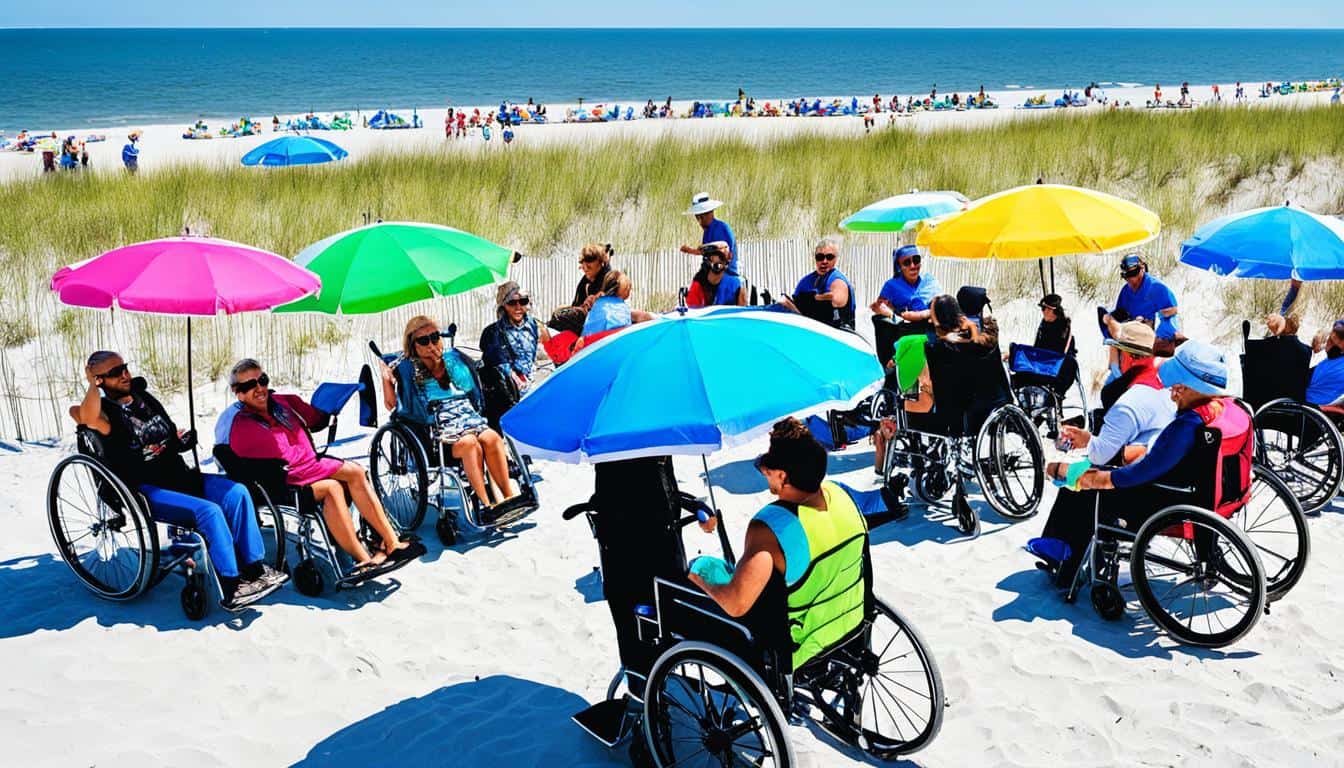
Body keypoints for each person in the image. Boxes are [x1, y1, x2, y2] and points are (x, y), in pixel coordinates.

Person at [73, 351, 285, 610]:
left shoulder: (144, 398)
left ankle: (254, 568)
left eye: (125, 368)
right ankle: (231, 582)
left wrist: (178, 438)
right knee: (209, 511)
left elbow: (166, 432)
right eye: (116, 373)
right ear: (100, 380)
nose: (125, 375)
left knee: (237, 493)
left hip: (180, 476)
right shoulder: (106, 414)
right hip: (148, 489)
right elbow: (86, 415)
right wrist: (90, 382)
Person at [1037, 341, 1240, 584]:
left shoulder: (1186, 426)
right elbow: (1160, 455)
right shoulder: (1223, 409)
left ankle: (1063, 566)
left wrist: (1101, 478)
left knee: (1079, 490)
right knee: (1092, 474)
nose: (1173, 394)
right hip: (1207, 491)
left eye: (1179, 388)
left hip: (1162, 500)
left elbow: (1145, 471)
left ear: (1196, 389)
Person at [687, 418, 869, 674]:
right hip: (847, 621)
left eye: (767, 469)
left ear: (783, 476)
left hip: (799, 646)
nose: (763, 473)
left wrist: (699, 578)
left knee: (701, 575)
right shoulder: (841, 496)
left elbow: (736, 604)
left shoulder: (771, 529)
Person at [222, 359, 424, 580]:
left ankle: (391, 542)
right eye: (250, 385)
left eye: (262, 380)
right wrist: (330, 467)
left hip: (308, 467)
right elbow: (283, 463)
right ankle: (363, 559)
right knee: (333, 486)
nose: (259, 388)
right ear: (238, 393)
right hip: (282, 482)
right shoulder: (242, 427)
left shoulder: (283, 402)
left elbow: (316, 419)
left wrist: (332, 401)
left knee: (356, 473)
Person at [382, 317, 527, 522]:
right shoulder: (407, 368)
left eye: (435, 337)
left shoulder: (452, 358)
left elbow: (467, 386)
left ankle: (509, 498)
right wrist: (386, 378)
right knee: (470, 445)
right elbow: (392, 405)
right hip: (439, 424)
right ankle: (487, 504)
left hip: (466, 413)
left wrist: (443, 364)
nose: (431, 344)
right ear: (413, 346)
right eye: (424, 341)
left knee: (493, 438)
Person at [1050, 322, 1174, 474]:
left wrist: (1085, 441)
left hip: (1139, 466)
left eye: (1116, 350)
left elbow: (1100, 455)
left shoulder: (1129, 400)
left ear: (1127, 355)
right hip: (1159, 453)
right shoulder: (1166, 376)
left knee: (1063, 474)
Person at [479, 281, 550, 421]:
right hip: (507, 394)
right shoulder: (492, 332)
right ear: (503, 305)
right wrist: (521, 387)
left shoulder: (534, 326)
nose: (518, 307)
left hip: (532, 384)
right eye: (512, 303)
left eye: (523, 301)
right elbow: (500, 367)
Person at [1101, 253, 1181, 366]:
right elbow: (1119, 318)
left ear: (1142, 269)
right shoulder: (1126, 291)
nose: (1131, 279)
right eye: (1126, 275)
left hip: (1152, 349)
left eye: (1133, 273)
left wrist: (1153, 340)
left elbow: (1171, 321)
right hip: (1129, 346)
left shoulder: (1158, 289)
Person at [781, 236, 854, 330]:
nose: (824, 261)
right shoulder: (805, 281)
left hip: (838, 334)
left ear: (836, 259)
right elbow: (795, 307)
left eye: (829, 257)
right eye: (820, 257)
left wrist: (815, 298)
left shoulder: (837, 279)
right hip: (810, 332)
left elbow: (838, 300)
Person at [872, 245, 942, 323]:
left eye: (916, 260)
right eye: (907, 262)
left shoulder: (929, 280)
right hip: (904, 329)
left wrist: (925, 314)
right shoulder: (891, 286)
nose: (913, 266)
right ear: (899, 267)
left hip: (930, 329)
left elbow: (940, 305)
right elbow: (879, 307)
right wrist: (890, 312)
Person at [680, 193, 740, 278]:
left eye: (700, 218)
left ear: (709, 214)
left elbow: (720, 255)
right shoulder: (708, 232)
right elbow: (706, 253)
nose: (699, 222)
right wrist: (690, 250)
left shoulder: (720, 229)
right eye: (697, 218)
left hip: (726, 275)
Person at [684, 243, 746, 307]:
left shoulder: (735, 284)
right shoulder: (699, 282)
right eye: (712, 257)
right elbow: (692, 310)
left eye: (720, 257)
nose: (716, 260)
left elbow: (741, 311)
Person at [1307, 320, 1344, 407]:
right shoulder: (1334, 359)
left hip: (1309, 408)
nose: (1327, 344)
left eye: (1331, 341)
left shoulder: (1335, 368)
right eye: (1329, 339)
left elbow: (1303, 380)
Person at [572, 242, 613, 310]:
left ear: (601, 263)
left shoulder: (610, 281)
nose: (585, 269)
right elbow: (577, 304)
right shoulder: (585, 281)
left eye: (589, 267)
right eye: (583, 266)